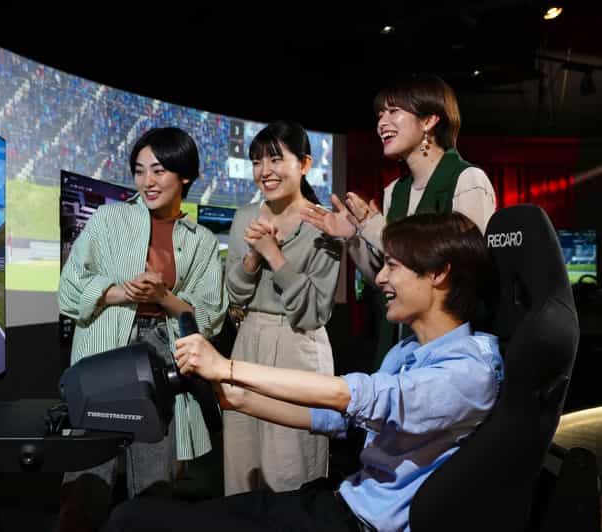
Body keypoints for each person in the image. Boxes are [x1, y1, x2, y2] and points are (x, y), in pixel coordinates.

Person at [102, 211, 503, 532]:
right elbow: (337, 418)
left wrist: (227, 366)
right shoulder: (410, 350)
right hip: (338, 501)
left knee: (133, 522)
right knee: (137, 517)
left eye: (393, 266)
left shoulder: (469, 371)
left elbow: (353, 396)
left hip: (356, 522)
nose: (380, 277)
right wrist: (240, 398)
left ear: (438, 274)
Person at [56, 127, 228, 530]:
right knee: (85, 484)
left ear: (184, 174)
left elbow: (211, 317)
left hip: (162, 357)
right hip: (103, 354)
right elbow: (68, 291)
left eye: (159, 170)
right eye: (139, 171)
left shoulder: (201, 241)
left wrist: (164, 295)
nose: (147, 182)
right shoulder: (108, 217)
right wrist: (120, 292)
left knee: (153, 489)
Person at [302, 75, 496, 369]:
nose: (382, 123)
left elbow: (467, 271)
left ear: (429, 120)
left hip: (447, 349)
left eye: (393, 112)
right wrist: (353, 237)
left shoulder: (467, 179)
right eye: (380, 114)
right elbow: (386, 278)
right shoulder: (396, 191)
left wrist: (375, 228)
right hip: (398, 343)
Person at [224, 120, 342, 495]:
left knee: (293, 468)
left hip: (299, 346)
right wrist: (252, 260)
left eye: (276, 159)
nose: (265, 171)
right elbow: (236, 295)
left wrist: (275, 256)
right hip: (248, 342)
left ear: (305, 164)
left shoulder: (325, 224)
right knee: (243, 464)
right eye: (257, 161)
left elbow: (313, 312)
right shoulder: (245, 216)